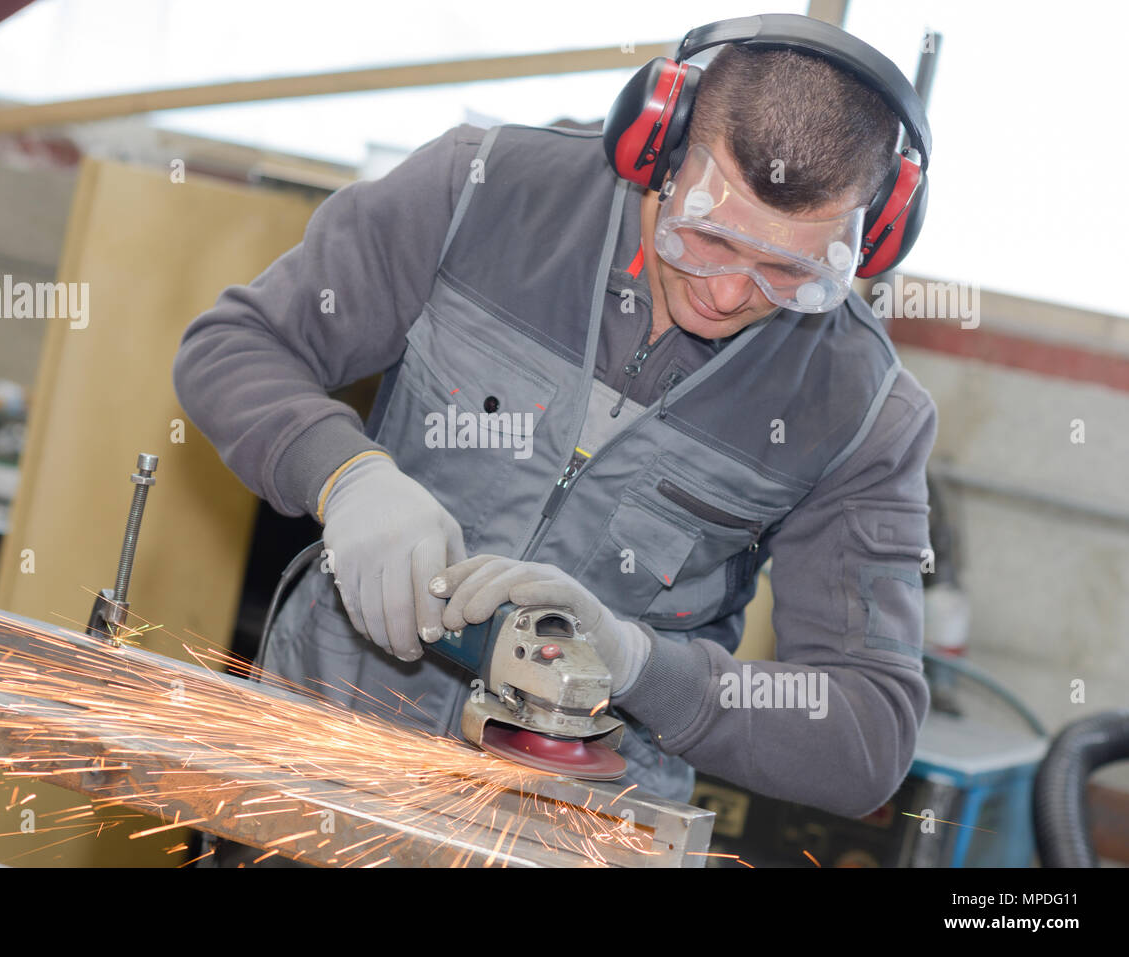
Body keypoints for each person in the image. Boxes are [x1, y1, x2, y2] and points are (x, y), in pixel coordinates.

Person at [173, 14, 937, 817]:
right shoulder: (481, 192)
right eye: (707, 239)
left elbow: (867, 737)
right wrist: (346, 474)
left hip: (568, 825)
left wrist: (639, 664)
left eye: (790, 271)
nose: (728, 294)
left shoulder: (859, 409)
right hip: (320, 763)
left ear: (870, 238)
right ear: (659, 148)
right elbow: (235, 344)